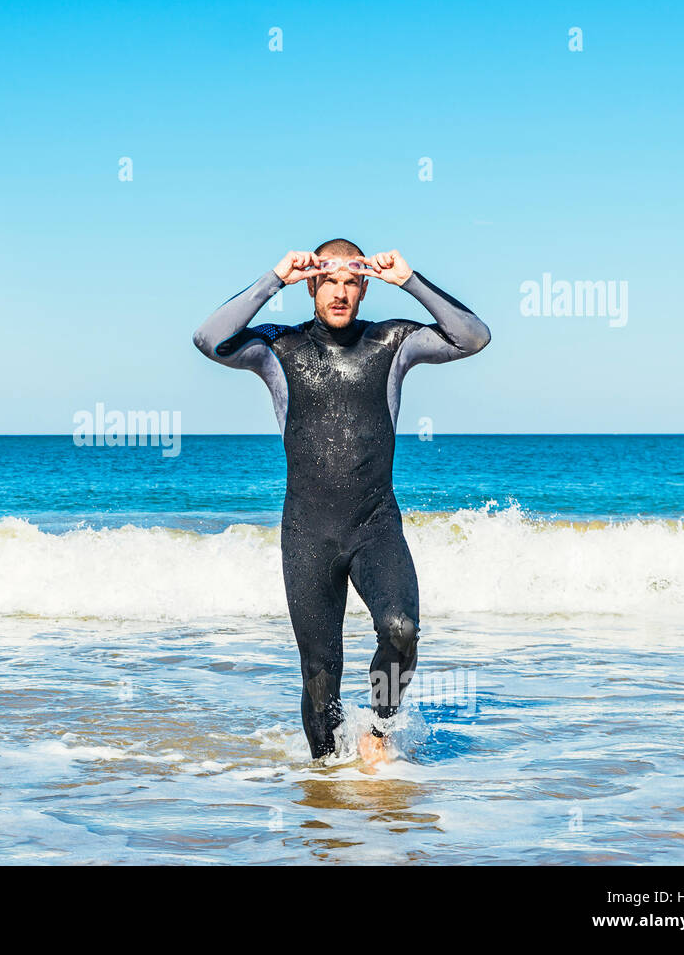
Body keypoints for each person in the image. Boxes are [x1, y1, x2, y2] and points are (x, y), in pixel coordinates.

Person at [193, 240, 490, 763]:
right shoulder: (277, 347)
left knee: (402, 629)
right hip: (308, 533)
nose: (340, 292)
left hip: (375, 525)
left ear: (364, 287)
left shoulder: (391, 342)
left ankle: (378, 731)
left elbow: (473, 337)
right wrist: (274, 278)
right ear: (312, 285)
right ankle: (325, 800)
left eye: (351, 282)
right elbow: (208, 337)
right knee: (318, 679)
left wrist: (411, 280)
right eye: (329, 281)